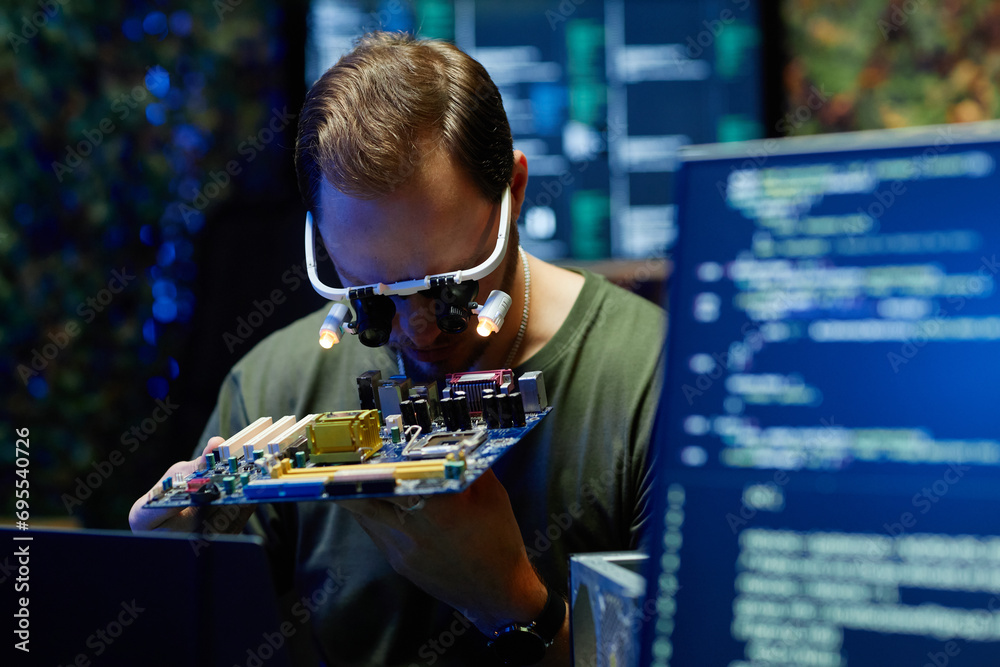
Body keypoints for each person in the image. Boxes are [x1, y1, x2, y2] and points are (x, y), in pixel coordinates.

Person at [130, 31, 665, 666]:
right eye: (371, 297)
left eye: (449, 290)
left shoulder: (651, 385)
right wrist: (171, 582)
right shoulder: (272, 388)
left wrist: (514, 606)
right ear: (324, 242)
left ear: (514, 193)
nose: (416, 331)